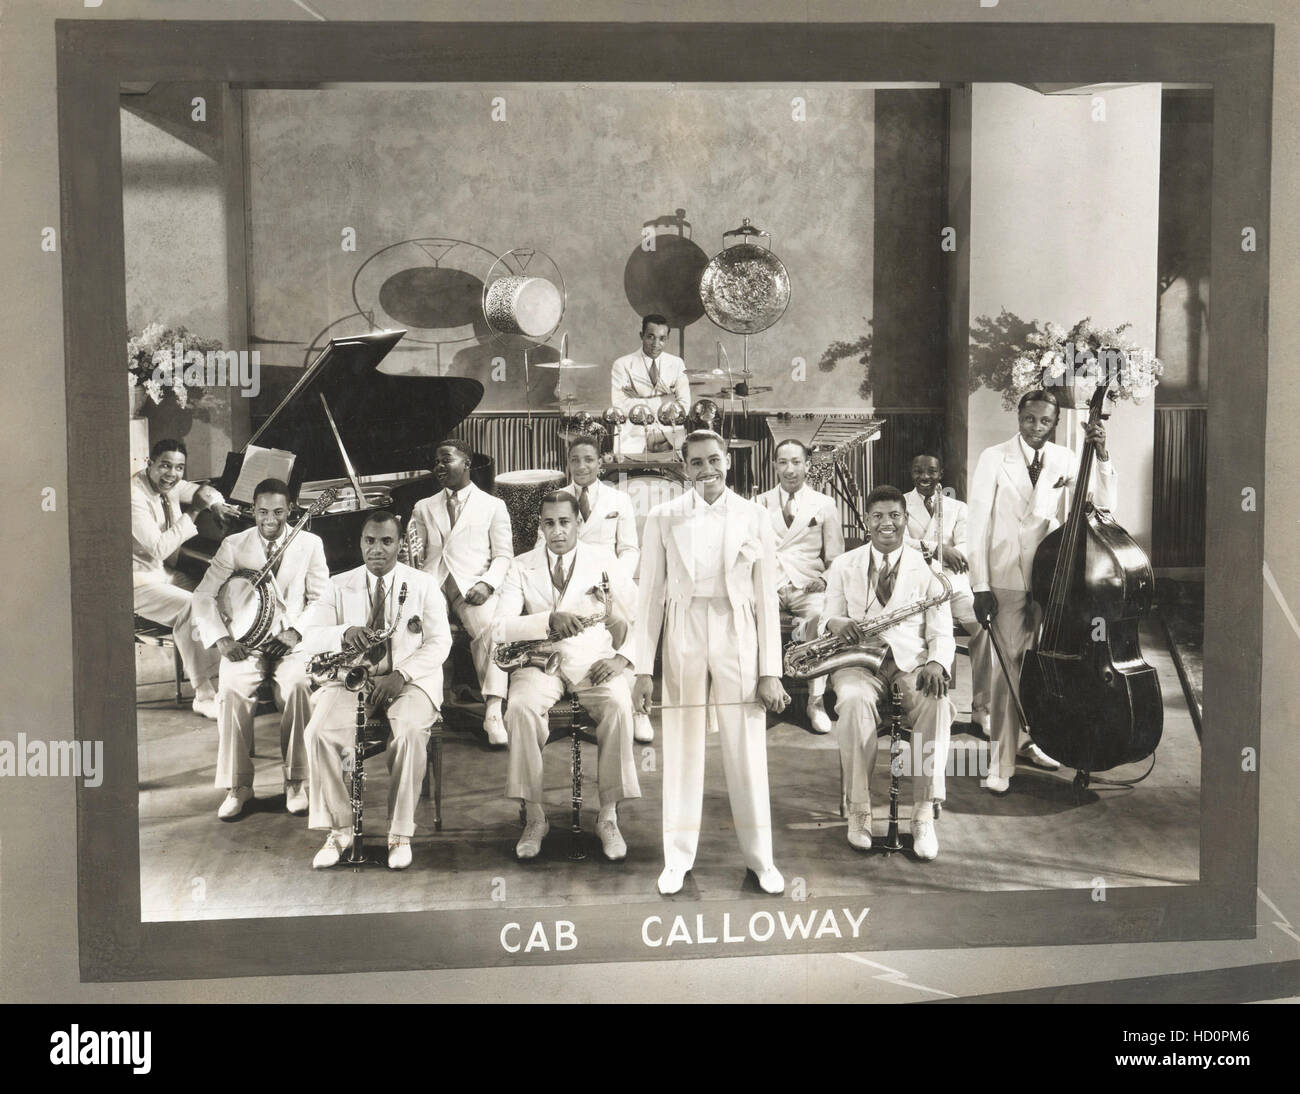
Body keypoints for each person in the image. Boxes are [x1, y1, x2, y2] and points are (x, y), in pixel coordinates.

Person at [631, 429, 788, 896]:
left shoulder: (754, 515)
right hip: (683, 631)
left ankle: (762, 859)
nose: (707, 470)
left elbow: (766, 598)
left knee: (746, 747)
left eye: (714, 460)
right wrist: (642, 668)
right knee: (681, 745)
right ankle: (677, 859)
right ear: (684, 466)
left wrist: (770, 670)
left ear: (727, 463)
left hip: (737, 630)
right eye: (696, 462)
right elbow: (649, 597)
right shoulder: (662, 517)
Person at [967, 389, 1116, 794]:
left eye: (1045, 422)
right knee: (1007, 669)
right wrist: (980, 586)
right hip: (1003, 580)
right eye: (1030, 419)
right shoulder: (993, 458)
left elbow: (1102, 506)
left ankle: (1036, 740)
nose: (1036, 428)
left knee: (1043, 663)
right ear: (1019, 417)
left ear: (1054, 424)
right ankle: (1000, 761)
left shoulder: (1066, 458)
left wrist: (1099, 457)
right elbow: (976, 525)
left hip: (1052, 578)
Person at [299, 511, 452, 870]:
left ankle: (399, 834)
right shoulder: (339, 584)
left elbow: (440, 642)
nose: (377, 550)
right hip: (355, 679)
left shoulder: (423, 584)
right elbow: (309, 636)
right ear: (361, 543)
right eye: (370, 541)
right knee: (318, 732)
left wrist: (402, 673)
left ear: (400, 544)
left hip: (410, 682)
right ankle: (341, 830)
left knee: (411, 732)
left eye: (386, 542)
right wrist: (344, 631)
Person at [496, 493, 641, 861]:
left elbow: (643, 617)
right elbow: (500, 626)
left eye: (564, 522)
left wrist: (623, 660)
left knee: (619, 704)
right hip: (539, 661)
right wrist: (546, 621)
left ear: (578, 523)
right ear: (540, 527)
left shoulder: (606, 562)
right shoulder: (519, 565)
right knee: (521, 708)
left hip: (594, 661)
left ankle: (608, 815)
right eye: (549, 523)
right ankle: (534, 815)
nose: (557, 531)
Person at [820, 485, 955, 860]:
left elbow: (942, 631)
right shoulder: (844, 565)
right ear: (866, 521)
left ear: (905, 519)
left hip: (911, 664)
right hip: (859, 664)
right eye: (877, 516)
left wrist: (936, 662)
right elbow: (824, 618)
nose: (886, 524)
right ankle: (860, 811)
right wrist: (836, 623)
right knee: (853, 702)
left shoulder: (928, 566)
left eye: (894, 515)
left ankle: (923, 811)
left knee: (937, 704)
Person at [191, 478, 330, 820]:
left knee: (298, 687)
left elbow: (323, 597)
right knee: (231, 691)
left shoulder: (310, 544)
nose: (271, 519)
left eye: (279, 512)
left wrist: (297, 632)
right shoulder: (234, 544)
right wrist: (222, 638)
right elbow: (203, 594)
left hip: (290, 645)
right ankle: (239, 786)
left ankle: (296, 781)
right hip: (246, 645)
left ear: (291, 511)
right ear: (253, 510)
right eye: (263, 511)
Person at [538, 435, 651, 742]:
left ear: (600, 463)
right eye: (575, 460)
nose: (581, 466)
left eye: (588, 459)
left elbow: (629, 549)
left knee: (627, 623)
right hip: (567, 581)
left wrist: (611, 583)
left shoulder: (619, 500)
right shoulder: (557, 497)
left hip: (609, 582)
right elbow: (543, 546)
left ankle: (637, 709)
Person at [409, 440, 513, 746]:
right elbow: (417, 555)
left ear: (466, 462)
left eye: (446, 461)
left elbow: (504, 555)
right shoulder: (423, 506)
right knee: (415, 632)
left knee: (492, 631)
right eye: (436, 463)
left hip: (473, 587)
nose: (438, 467)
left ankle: (493, 710)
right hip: (433, 587)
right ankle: (425, 707)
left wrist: (488, 584)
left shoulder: (494, 506)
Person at [131, 438, 232, 719]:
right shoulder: (133, 496)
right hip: (136, 583)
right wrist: (197, 510)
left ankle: (229, 681)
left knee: (219, 596)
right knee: (192, 607)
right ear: (149, 464)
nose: (172, 474)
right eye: (164, 465)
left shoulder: (171, 484)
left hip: (163, 575)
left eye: (179, 468)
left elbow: (204, 490)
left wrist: (216, 505)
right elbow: (160, 548)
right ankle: (203, 693)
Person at [755, 439, 845, 734]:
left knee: (818, 621)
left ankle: (816, 701)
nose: (789, 469)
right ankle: (756, 696)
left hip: (808, 586)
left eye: (796, 462)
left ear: (808, 465)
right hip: (768, 583)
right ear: (774, 466)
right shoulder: (758, 503)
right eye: (782, 462)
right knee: (747, 617)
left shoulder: (825, 504)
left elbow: (836, 559)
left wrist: (825, 580)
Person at [902, 452, 990, 735]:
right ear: (911, 473)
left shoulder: (958, 508)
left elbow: (966, 546)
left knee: (986, 630)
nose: (924, 477)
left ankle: (981, 708)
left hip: (953, 587)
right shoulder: (900, 503)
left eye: (930, 471)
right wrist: (938, 549)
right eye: (918, 471)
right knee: (918, 636)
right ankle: (925, 708)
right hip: (915, 591)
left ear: (941, 474)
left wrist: (944, 551)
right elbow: (899, 543)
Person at [609, 314, 691, 455]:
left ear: (667, 339)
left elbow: (684, 407)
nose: (655, 344)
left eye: (662, 339)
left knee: (676, 475)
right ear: (642, 335)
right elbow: (620, 406)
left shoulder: (677, 364)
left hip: (670, 435)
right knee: (625, 476)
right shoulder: (622, 364)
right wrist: (665, 399)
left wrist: (639, 402)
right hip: (633, 435)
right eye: (650, 337)